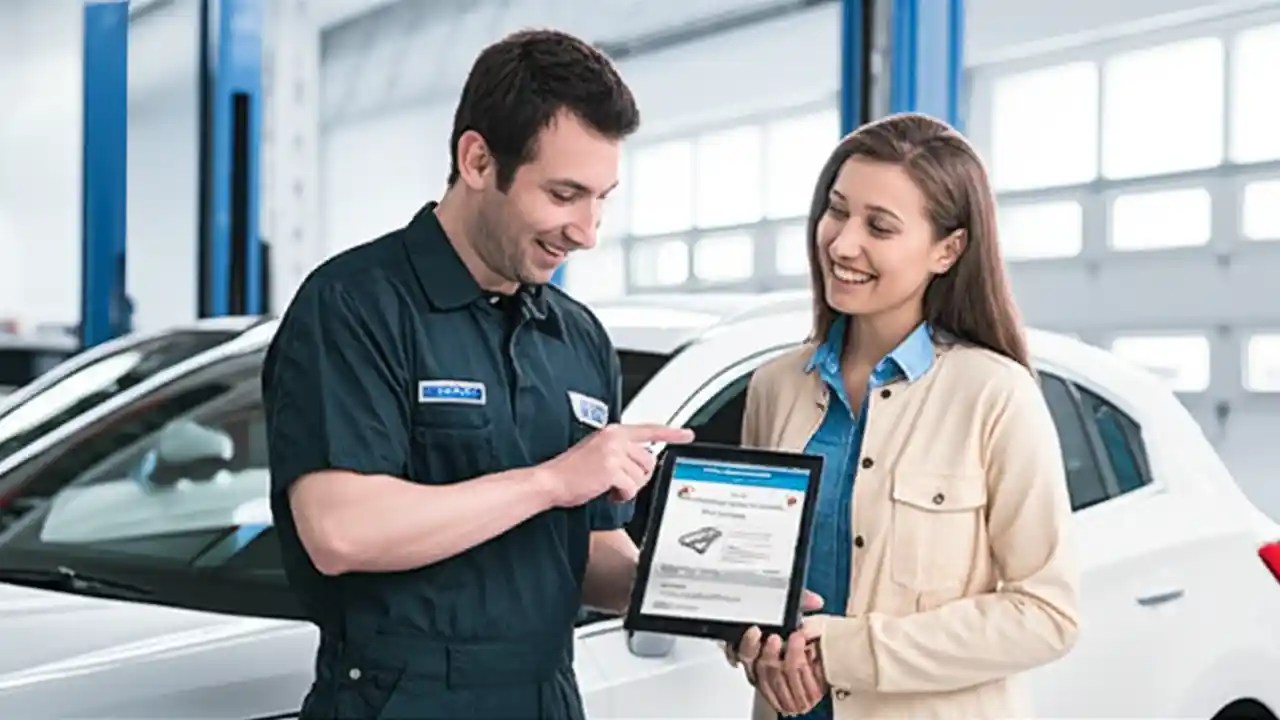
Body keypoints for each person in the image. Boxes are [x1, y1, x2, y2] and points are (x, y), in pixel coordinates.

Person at [261, 29, 693, 720]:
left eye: (602, 198)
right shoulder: (356, 305)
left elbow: (587, 551)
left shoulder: (578, 337)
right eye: (564, 194)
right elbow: (341, 531)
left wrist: (705, 595)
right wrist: (551, 482)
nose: (587, 230)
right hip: (403, 700)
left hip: (547, 696)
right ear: (478, 160)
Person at [726, 112, 1080, 719]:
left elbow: (1046, 615)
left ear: (948, 249)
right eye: (836, 210)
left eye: (879, 226)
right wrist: (748, 642)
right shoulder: (775, 387)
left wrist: (845, 650)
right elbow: (754, 578)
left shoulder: (995, 395)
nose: (841, 243)